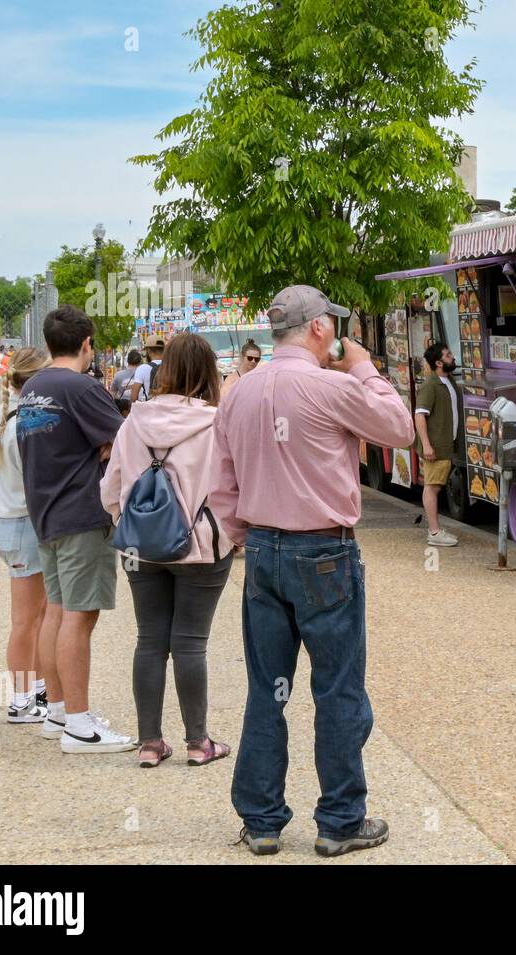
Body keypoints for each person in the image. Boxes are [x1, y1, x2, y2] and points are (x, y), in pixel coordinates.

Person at [211, 284, 414, 857]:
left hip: (264, 553)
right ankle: (340, 820)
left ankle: (263, 819)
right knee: (338, 687)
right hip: (325, 552)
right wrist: (368, 369)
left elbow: (221, 484)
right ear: (320, 329)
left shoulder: (241, 392)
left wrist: (246, 538)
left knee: (267, 690)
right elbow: (399, 429)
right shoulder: (333, 386)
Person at [101, 333, 236, 769]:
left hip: (141, 546)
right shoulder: (218, 424)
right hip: (202, 546)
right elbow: (232, 489)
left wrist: (127, 522)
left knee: (149, 640)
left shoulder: (133, 422)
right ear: (209, 373)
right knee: (191, 644)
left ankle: (150, 743)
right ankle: (199, 743)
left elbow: (111, 489)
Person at [16, 305, 134, 753]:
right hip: (82, 513)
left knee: (58, 612)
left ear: (48, 344)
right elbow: (123, 441)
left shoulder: (34, 386)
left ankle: (61, 712)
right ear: (87, 344)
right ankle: (81, 726)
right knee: (80, 618)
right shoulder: (81, 387)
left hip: (45, 512)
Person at [0, 347, 52, 723]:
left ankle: (35, 688)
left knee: (34, 615)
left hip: (4, 522)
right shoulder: (32, 420)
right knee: (26, 619)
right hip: (24, 523)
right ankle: (22, 699)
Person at [414, 343, 460, 547]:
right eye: (449, 355)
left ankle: (435, 529)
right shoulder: (431, 385)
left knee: (435, 486)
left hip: (445, 445)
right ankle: (434, 532)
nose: (453, 357)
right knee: (432, 487)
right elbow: (420, 415)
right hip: (436, 446)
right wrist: (427, 445)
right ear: (439, 362)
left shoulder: (448, 382)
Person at [129, 336, 165, 401]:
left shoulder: (142, 369)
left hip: (150, 408)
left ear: (148, 351)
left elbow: (134, 397)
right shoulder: (172, 367)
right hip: (169, 408)